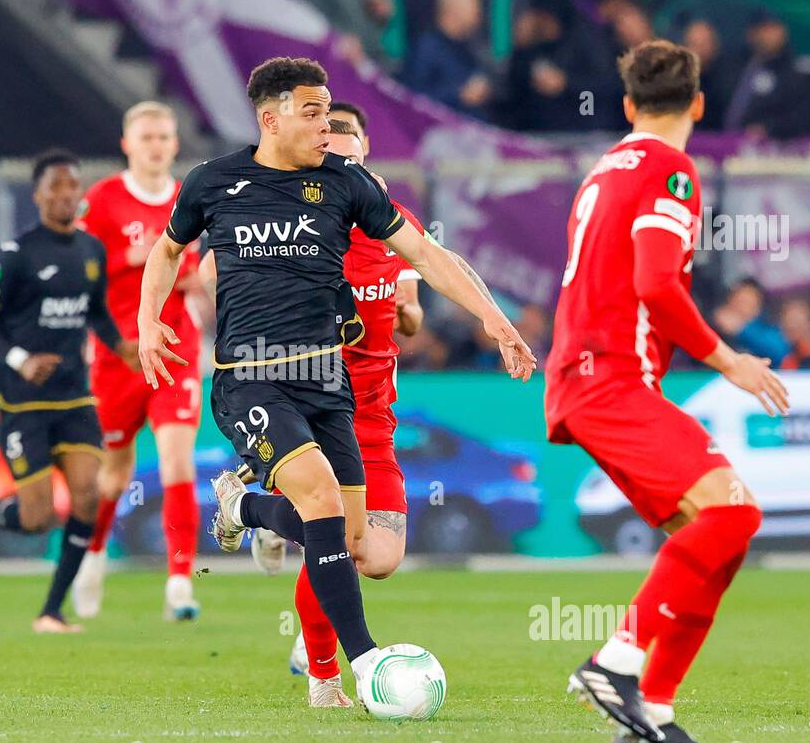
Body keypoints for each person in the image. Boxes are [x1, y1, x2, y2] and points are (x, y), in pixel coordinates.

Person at [136, 56, 536, 704]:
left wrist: (492, 317)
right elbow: (166, 250)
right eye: (314, 112)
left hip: (330, 388)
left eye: (330, 112)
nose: (327, 124)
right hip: (251, 378)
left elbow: (428, 256)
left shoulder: (347, 183)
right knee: (319, 498)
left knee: (353, 542)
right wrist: (148, 322)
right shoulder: (214, 181)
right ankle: (365, 662)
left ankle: (246, 513)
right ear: (271, 118)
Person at [546, 40, 790, 743]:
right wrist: (729, 360)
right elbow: (657, 283)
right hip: (611, 377)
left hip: (587, 377)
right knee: (737, 510)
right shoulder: (671, 170)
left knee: (721, 538)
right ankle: (614, 661)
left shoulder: (603, 169)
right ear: (699, 105)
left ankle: (651, 714)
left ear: (627, 105)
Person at [210, 115, 429, 706]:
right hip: (308, 400)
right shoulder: (297, 231)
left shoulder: (392, 225)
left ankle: (248, 506)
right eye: (328, 158)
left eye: (350, 159)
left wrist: (410, 313)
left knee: (377, 556)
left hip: (373, 418)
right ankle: (324, 674)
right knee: (326, 523)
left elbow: (412, 310)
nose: (338, 170)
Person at [0, 149, 136, 634]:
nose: (67, 194)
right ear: (38, 195)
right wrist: (20, 360)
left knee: (88, 498)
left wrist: (122, 346)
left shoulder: (91, 251)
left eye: (73, 186)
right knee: (37, 518)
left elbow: (94, 312)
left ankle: (52, 611)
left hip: (74, 397)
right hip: (22, 402)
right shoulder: (16, 254)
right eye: (56, 187)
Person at [73, 102, 203, 622]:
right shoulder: (102, 200)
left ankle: (179, 581)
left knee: (176, 460)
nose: (156, 145)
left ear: (175, 144)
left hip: (175, 349)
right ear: (127, 143)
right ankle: (94, 554)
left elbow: (196, 268)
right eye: (146, 136)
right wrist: (128, 257)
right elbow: (76, 270)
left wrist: (201, 278)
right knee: (112, 473)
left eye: (164, 137)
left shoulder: (188, 197)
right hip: (117, 355)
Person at [401, 0, 494, 120]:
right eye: (474, 9)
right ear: (454, 10)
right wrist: (459, 95)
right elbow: (412, 97)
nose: (478, 16)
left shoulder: (469, 47)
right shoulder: (426, 48)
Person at [723, 11, 810, 139]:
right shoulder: (734, 64)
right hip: (721, 143)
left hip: (766, 150)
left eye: (774, 28)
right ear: (751, 33)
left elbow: (802, 117)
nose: (769, 35)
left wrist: (768, 128)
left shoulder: (794, 73)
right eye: (764, 29)